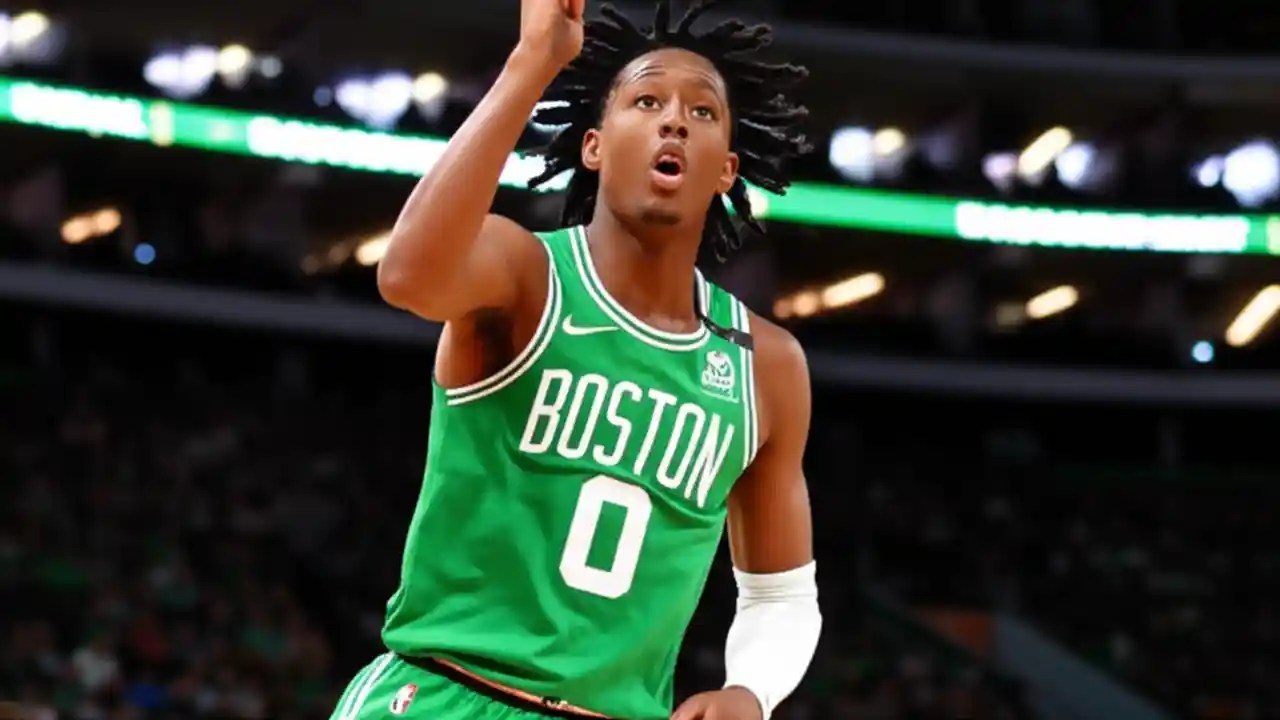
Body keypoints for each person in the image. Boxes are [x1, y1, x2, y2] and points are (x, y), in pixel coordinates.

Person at [330, 1, 821, 718]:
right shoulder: (523, 274)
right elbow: (407, 275)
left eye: (703, 111)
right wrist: (533, 63)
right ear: (593, 146)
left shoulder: (766, 366)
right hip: (447, 691)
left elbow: (781, 596)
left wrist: (752, 691)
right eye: (646, 99)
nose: (674, 119)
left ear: (727, 170)